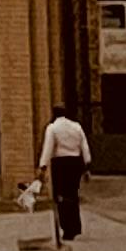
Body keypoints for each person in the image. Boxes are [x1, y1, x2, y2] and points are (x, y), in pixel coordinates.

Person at [38, 102, 90, 243]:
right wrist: (86, 165)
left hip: (60, 163)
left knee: (61, 196)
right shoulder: (76, 127)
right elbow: (84, 146)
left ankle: (66, 227)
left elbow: (48, 148)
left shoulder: (53, 128)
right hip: (75, 162)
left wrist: (43, 166)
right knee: (72, 194)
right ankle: (75, 226)